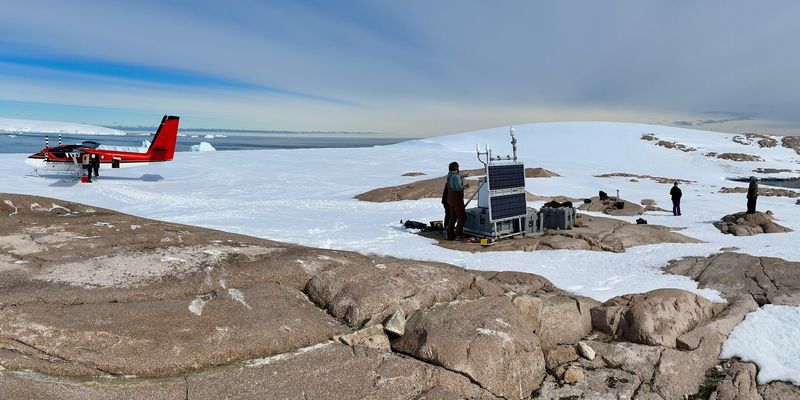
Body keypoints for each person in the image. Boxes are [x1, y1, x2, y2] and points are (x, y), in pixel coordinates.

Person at [446, 161, 468, 240]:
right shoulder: (455, 176)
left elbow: (453, 183)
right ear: (456, 167)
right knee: (462, 217)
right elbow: (458, 188)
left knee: (453, 217)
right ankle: (458, 234)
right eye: (458, 166)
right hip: (457, 200)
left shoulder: (450, 175)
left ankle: (449, 233)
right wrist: (465, 186)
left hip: (450, 200)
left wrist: (461, 177)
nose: (459, 168)